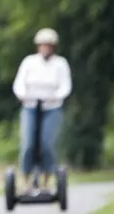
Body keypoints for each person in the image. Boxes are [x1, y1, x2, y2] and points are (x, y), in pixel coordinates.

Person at [12, 27, 72, 192]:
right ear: (37, 46)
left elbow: (65, 86)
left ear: (53, 47)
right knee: (28, 144)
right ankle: (25, 181)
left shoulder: (60, 64)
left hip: (51, 108)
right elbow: (19, 83)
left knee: (47, 145)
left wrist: (57, 96)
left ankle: (46, 181)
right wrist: (22, 94)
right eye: (42, 45)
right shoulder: (29, 62)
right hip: (30, 107)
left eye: (48, 45)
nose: (45, 48)